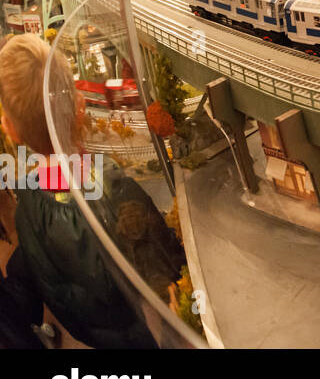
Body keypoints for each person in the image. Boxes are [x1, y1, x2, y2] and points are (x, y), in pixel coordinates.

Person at [0, 34, 184, 349]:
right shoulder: (113, 186)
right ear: (80, 107)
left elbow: (30, 275)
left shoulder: (28, 205)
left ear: (10, 129)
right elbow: (168, 268)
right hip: (150, 336)